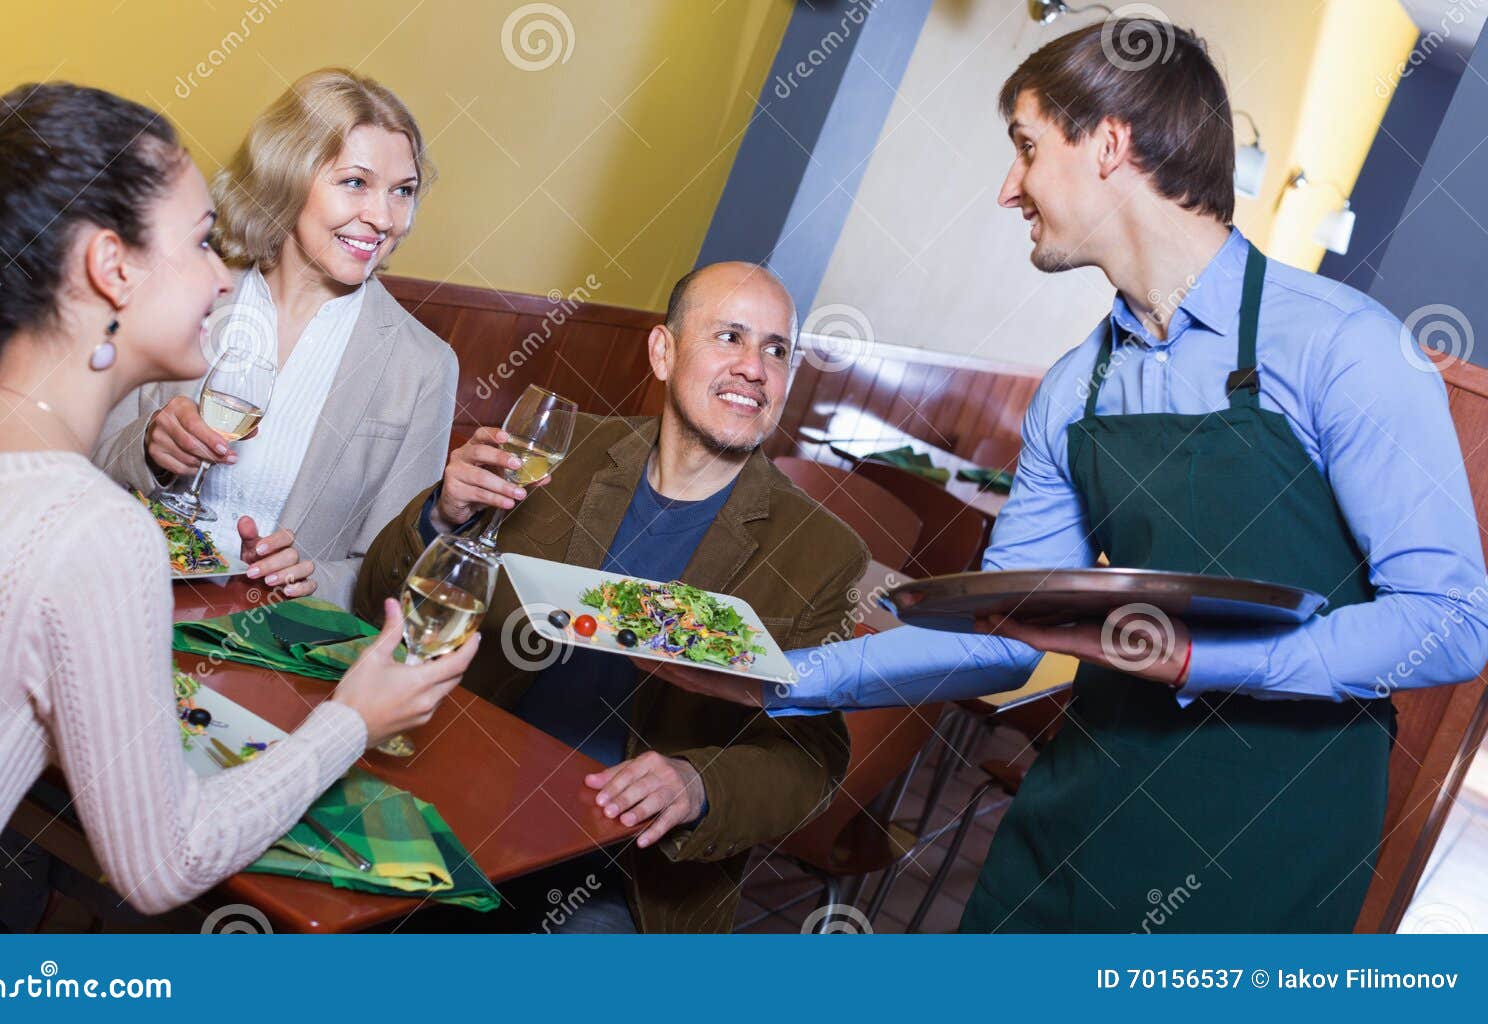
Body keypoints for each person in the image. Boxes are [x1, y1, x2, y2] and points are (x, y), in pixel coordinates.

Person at [655, 20, 1488, 933]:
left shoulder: (1347, 346)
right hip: (1080, 808)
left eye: (1025, 146)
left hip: (1266, 833)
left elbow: (1450, 625)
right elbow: (1004, 636)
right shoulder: (1071, 390)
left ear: (1109, 142)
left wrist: (1216, 660)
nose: (1008, 187)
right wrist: (789, 677)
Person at [0, 82, 478, 933]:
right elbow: (167, 861)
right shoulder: (97, 532)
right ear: (110, 266)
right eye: (203, 243)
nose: (220, 272)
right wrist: (353, 719)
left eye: (402, 189)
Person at [353, 262, 866, 933]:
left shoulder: (819, 550)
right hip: (456, 794)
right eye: (730, 337)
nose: (754, 367)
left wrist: (699, 784)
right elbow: (374, 607)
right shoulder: (555, 455)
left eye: (776, 349)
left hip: (619, 870)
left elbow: (812, 758)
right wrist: (442, 519)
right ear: (663, 351)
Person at [95, 68, 458, 609]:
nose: (382, 218)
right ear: (288, 177)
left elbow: (392, 569)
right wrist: (149, 446)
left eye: (402, 191)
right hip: (119, 599)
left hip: (269, 647)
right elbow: (83, 461)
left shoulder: (424, 365)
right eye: (355, 182)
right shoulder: (188, 297)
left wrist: (313, 580)